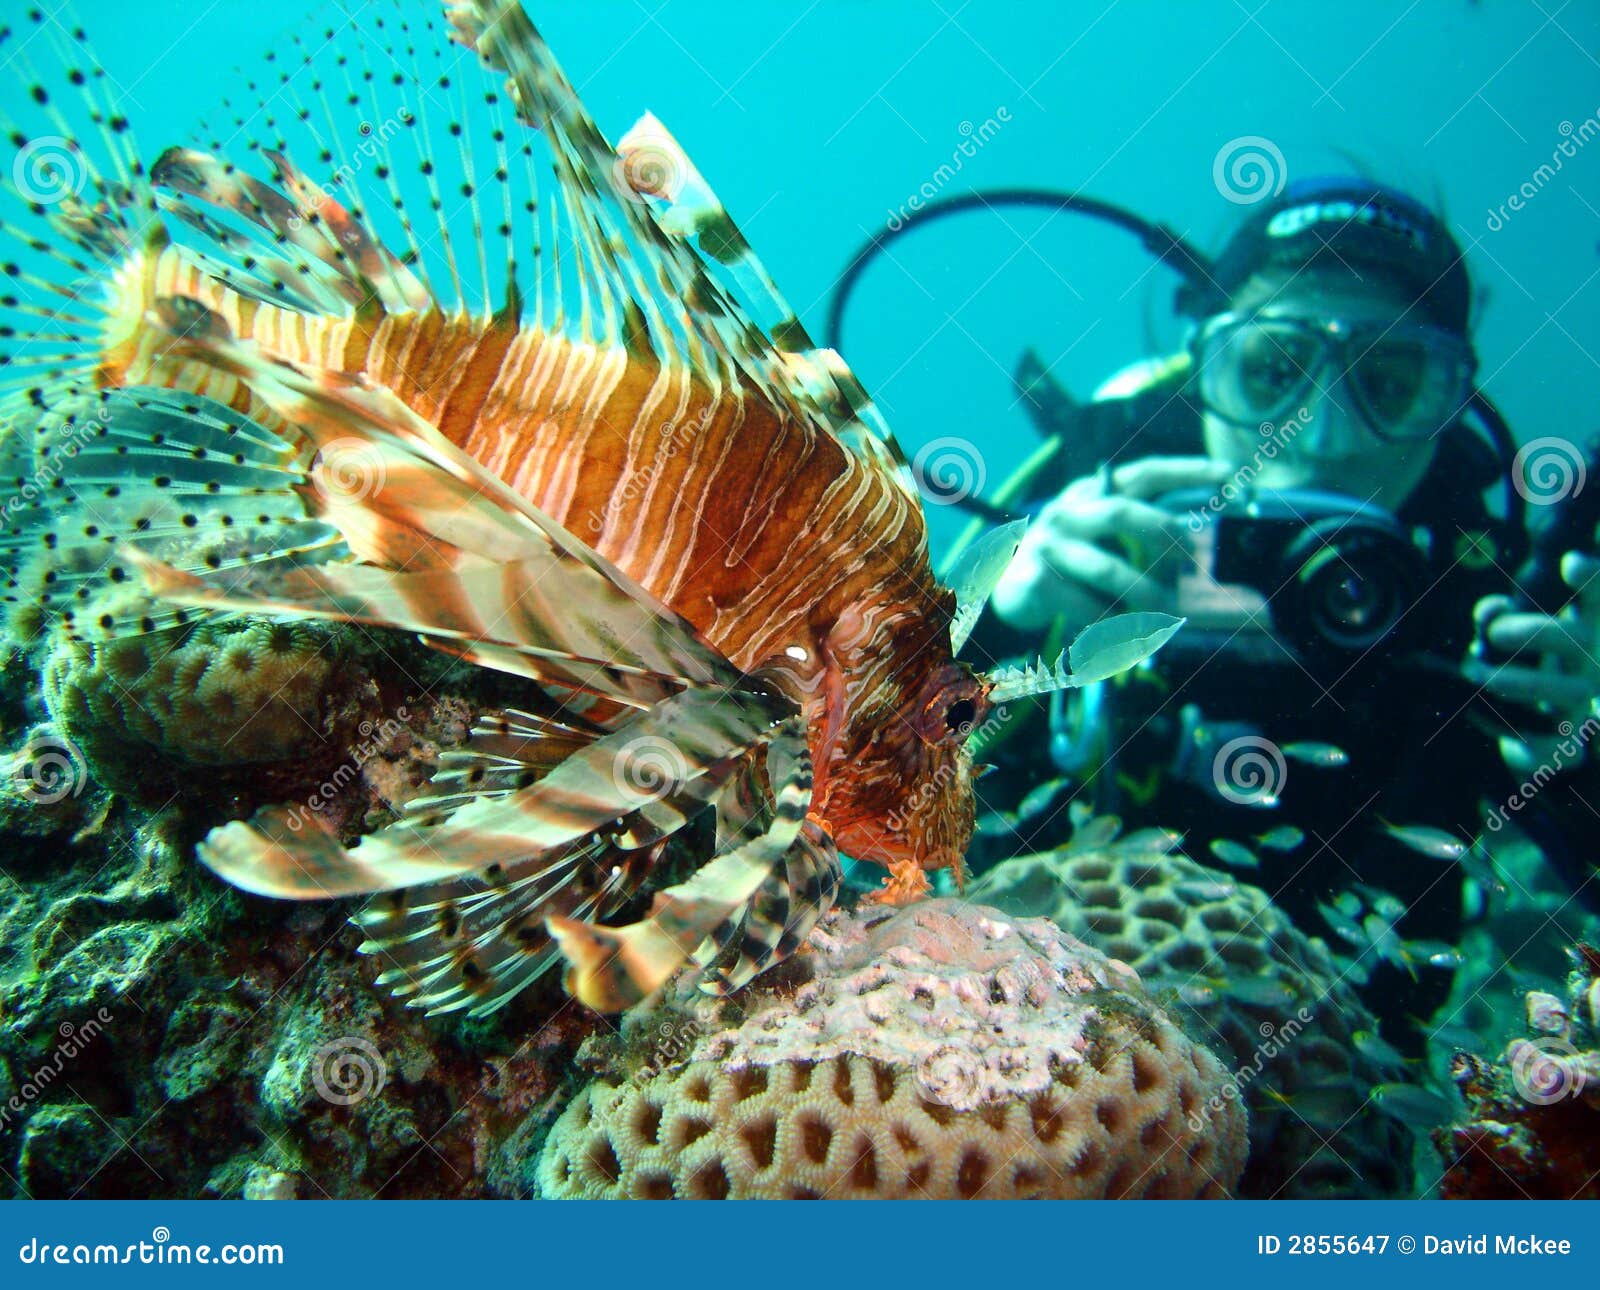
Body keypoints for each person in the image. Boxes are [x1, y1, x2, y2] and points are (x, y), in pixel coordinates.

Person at [965, 179, 1600, 1020]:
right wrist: (997, 622)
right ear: (1205, 366)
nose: (1325, 435)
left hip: (1362, 1094)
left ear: (1450, 403)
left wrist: (1574, 761)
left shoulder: (1486, 595)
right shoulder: (1097, 509)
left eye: (1392, 380)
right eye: (1270, 370)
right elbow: (845, 766)